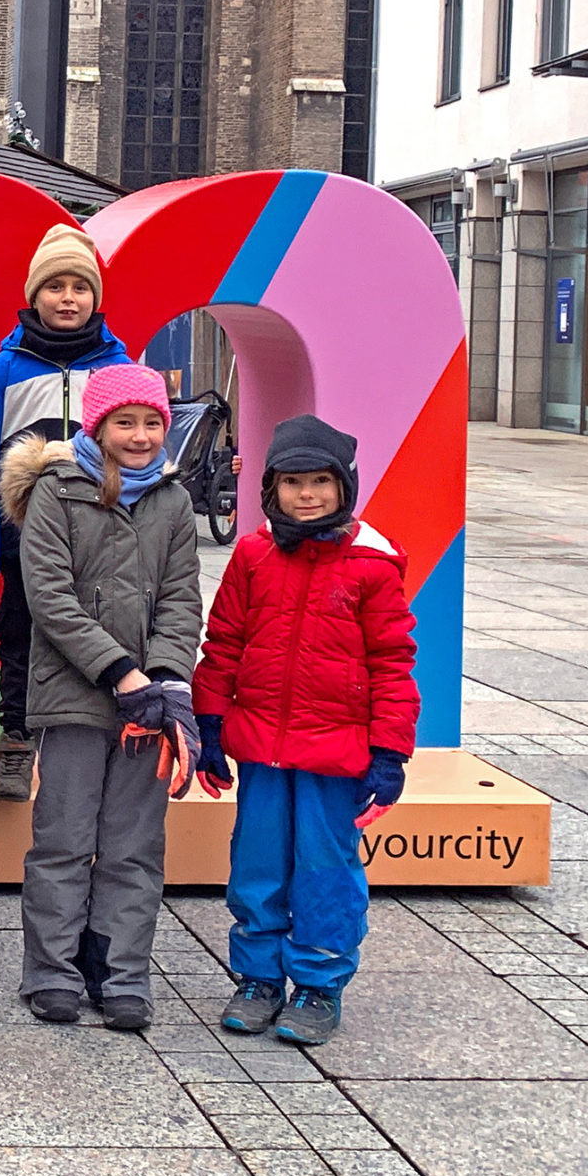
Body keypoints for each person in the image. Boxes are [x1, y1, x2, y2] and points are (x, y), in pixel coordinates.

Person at [194, 414, 418, 1048]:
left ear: (344, 485)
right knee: (258, 864)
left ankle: (319, 982)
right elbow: (225, 643)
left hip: (335, 754)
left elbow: (393, 665)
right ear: (271, 489)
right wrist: (211, 723)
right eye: (293, 482)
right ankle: (259, 977)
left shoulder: (372, 565)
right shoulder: (254, 554)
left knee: (324, 868)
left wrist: (389, 752)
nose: (308, 494)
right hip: (263, 745)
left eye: (321, 481)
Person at [1, 362, 203, 1033]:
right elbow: (50, 598)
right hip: (74, 697)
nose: (140, 435)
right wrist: (119, 670)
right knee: (62, 839)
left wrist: (168, 675)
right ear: (99, 425)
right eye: (126, 422)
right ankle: (53, 970)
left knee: (133, 844)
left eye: (152, 422)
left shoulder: (173, 501)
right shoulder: (59, 492)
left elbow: (180, 597)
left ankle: (121, 971)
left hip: (149, 706)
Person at [0, 228, 132, 802]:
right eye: (54, 286)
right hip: (25, 533)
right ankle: (15, 741)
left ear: (95, 297)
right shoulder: (3, 369)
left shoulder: (119, 365)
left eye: (79, 287)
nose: (67, 298)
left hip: (97, 529)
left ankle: (85, 739)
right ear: (34, 295)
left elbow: (135, 446)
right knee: (19, 633)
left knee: (95, 631)